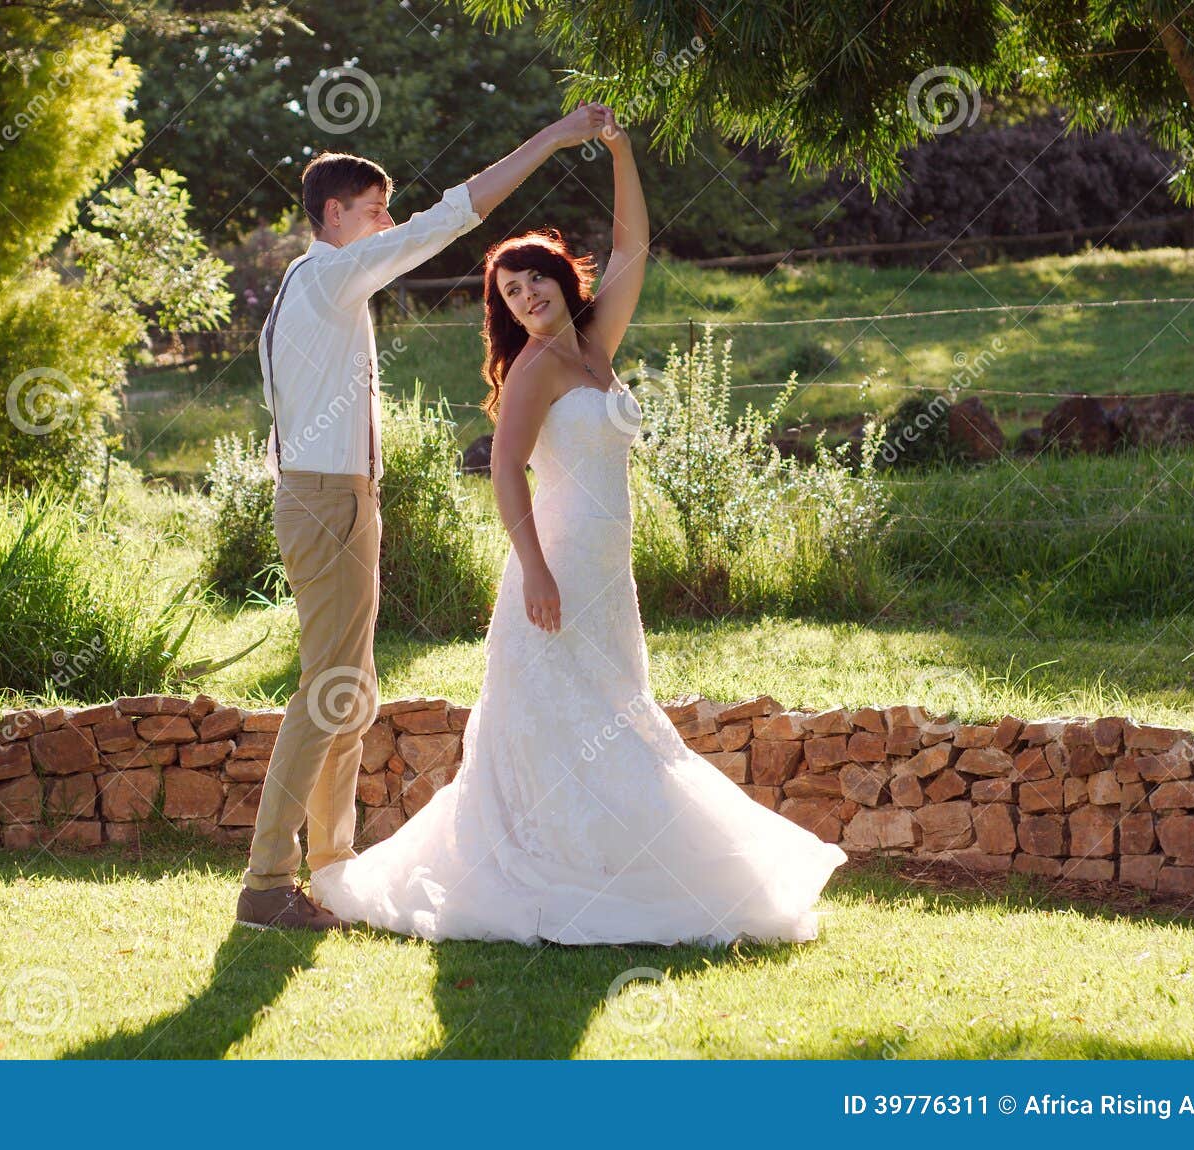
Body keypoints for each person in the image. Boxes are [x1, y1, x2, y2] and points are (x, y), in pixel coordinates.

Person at [308, 107, 849, 946]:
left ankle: (610, 863)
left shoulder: (596, 344)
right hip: (553, 569)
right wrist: (536, 571)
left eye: (534, 282)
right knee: (558, 728)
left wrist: (622, 148)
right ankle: (558, 869)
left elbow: (637, 247)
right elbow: (502, 469)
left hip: (607, 572)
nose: (525, 299)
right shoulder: (531, 371)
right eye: (510, 294)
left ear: (564, 280)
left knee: (615, 714)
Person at [236, 103, 615, 931]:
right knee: (327, 686)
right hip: (324, 495)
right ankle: (267, 883)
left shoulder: (321, 286)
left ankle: (331, 865)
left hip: (333, 494)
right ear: (336, 214)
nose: (390, 222)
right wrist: (553, 138)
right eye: (377, 210)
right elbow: (455, 213)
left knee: (351, 688)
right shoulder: (332, 276)